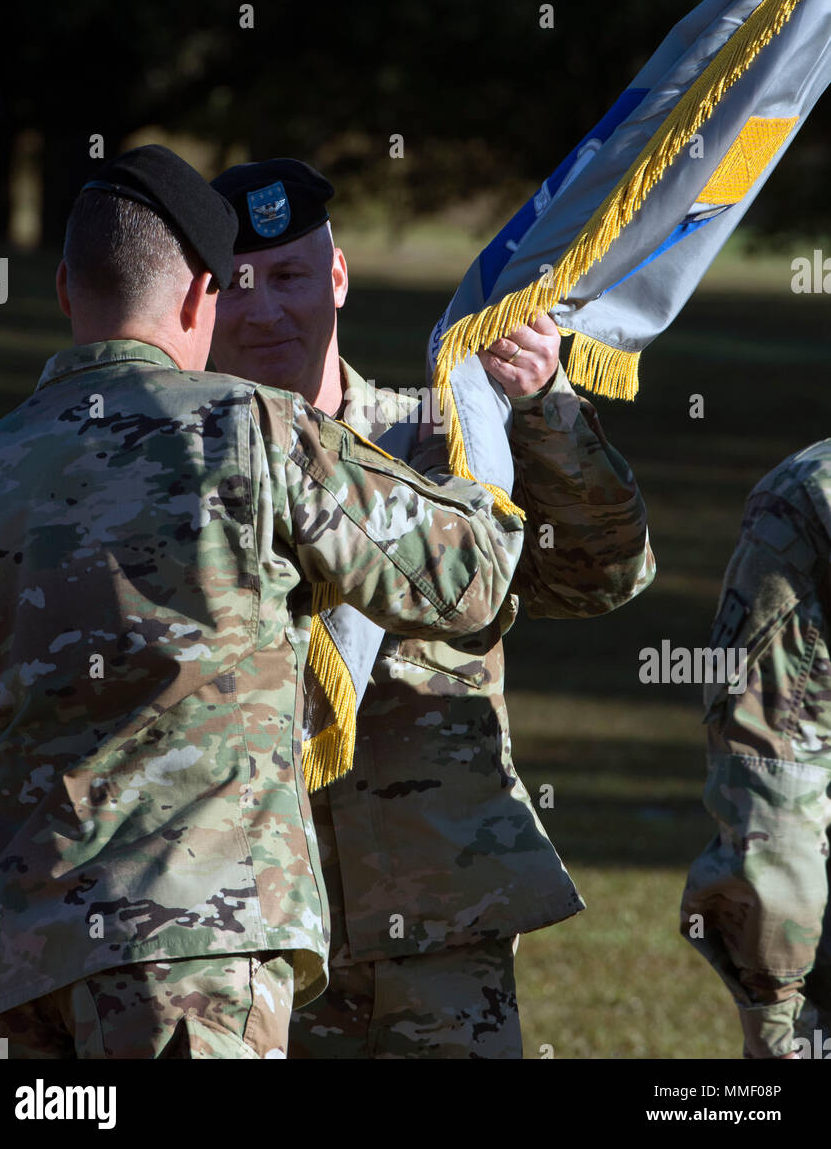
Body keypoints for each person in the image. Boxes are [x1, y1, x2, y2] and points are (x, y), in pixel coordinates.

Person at [0, 145, 525, 1060]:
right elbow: (462, 580)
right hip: (196, 954)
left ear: (67, 290)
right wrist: (482, 436)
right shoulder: (248, 428)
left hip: (17, 966)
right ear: (200, 296)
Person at [210, 157, 655, 1059]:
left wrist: (541, 406)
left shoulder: (445, 441)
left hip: (447, 916)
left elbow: (602, 573)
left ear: (337, 278)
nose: (264, 311)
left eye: (291, 277)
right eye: (238, 285)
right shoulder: (184, 468)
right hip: (266, 931)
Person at [681, 440, 831, 1061]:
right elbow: (772, 771)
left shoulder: (809, 492)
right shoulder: (814, 497)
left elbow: (771, 771)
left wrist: (778, 1024)